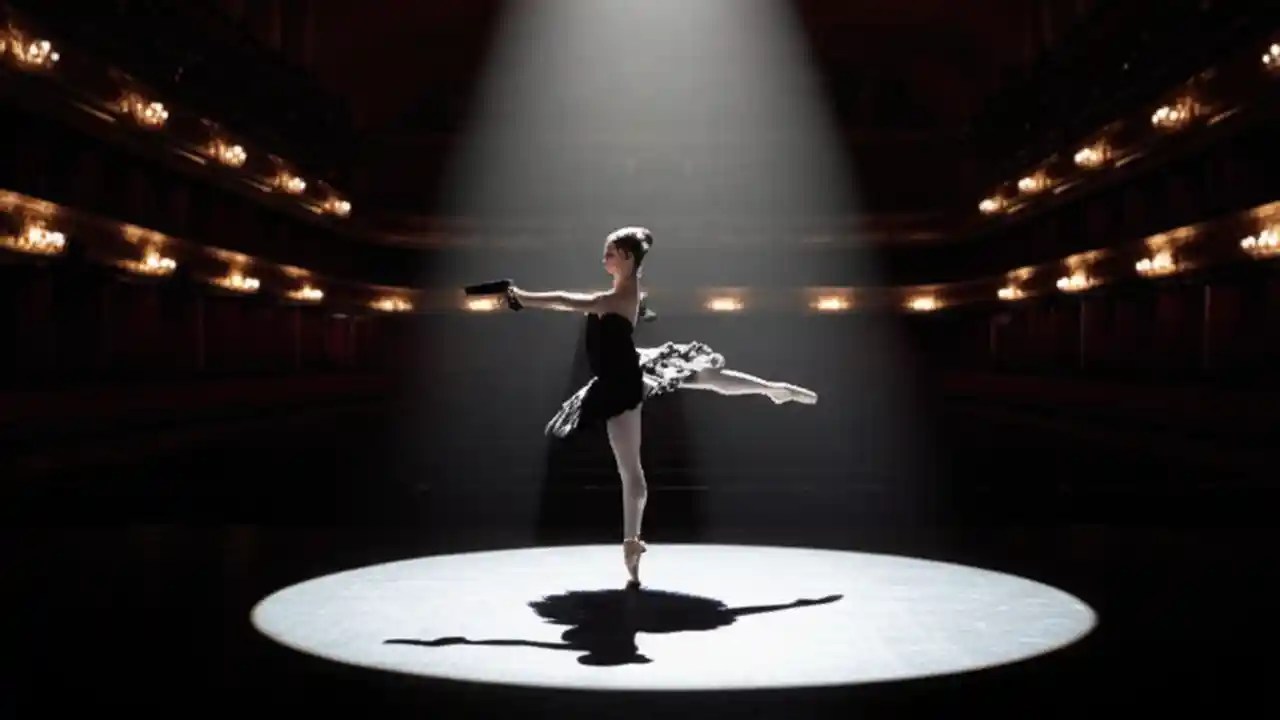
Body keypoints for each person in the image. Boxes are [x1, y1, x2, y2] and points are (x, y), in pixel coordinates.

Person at [508, 226, 817, 586]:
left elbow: (564, 299)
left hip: (621, 382)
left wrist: (521, 297)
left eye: (609, 252)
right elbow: (621, 303)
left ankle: (630, 543)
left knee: (631, 471)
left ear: (626, 257)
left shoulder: (613, 299)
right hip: (632, 365)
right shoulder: (628, 294)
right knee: (706, 379)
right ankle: (771, 389)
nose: (603, 258)